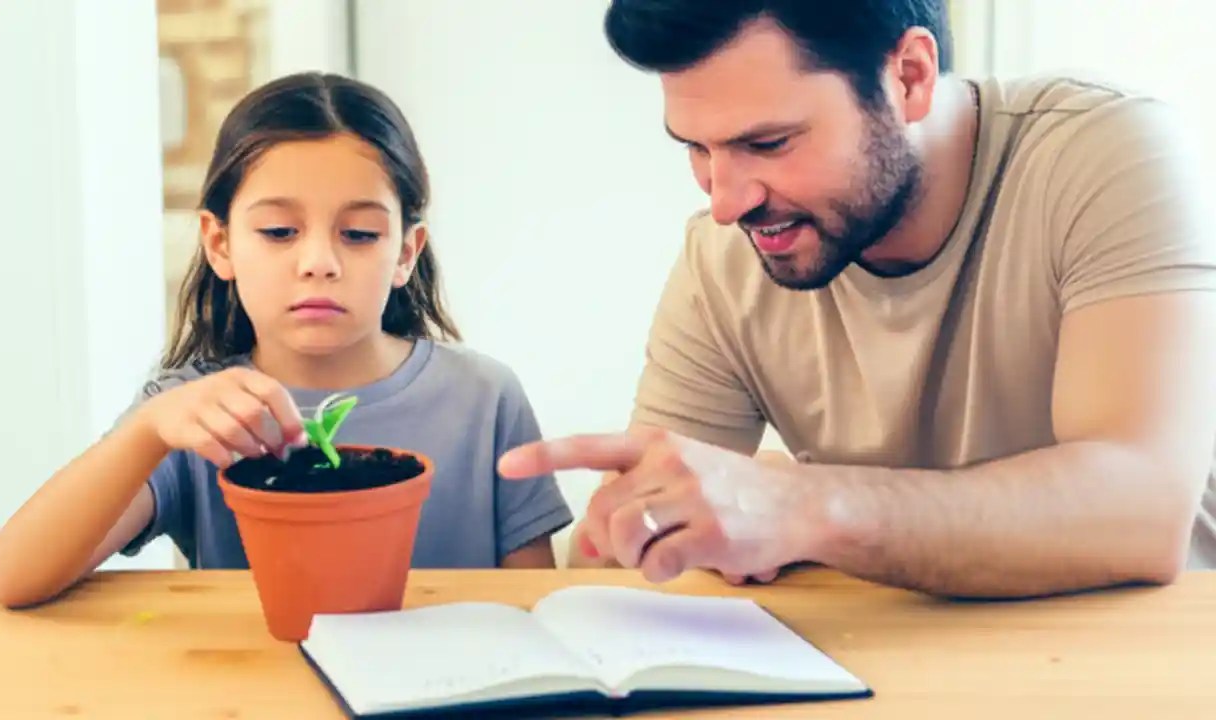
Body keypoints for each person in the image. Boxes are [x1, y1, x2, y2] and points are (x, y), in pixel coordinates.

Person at [499, 0, 1216, 598]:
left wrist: (804, 503)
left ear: (909, 77)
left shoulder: (1107, 156)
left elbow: (1141, 507)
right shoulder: (725, 259)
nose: (726, 201)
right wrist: (647, 524)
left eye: (770, 142)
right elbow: (642, 543)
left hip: (1138, 664)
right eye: (696, 148)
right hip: (890, 664)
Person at [0, 72, 572, 608]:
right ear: (220, 244)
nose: (318, 262)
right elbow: (17, 578)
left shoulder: (485, 398)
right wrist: (147, 429)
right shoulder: (193, 415)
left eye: (360, 234)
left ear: (406, 252)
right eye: (279, 232)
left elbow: (534, 608)